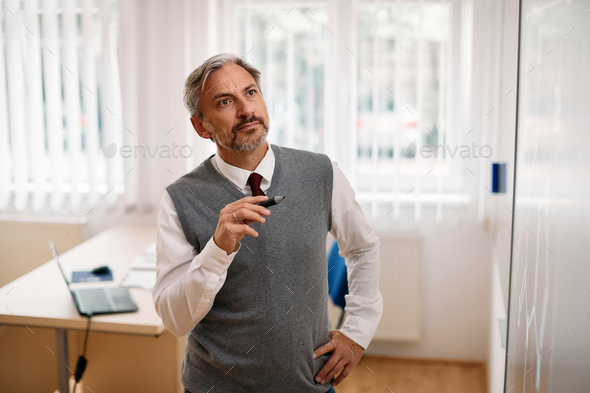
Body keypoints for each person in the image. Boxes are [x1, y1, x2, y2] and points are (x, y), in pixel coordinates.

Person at [153, 53, 382, 393]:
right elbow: (175, 320)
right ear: (201, 126)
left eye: (250, 93)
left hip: (311, 384)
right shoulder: (179, 199)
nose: (246, 110)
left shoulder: (321, 172)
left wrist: (357, 333)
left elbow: (363, 248)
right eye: (225, 101)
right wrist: (217, 250)